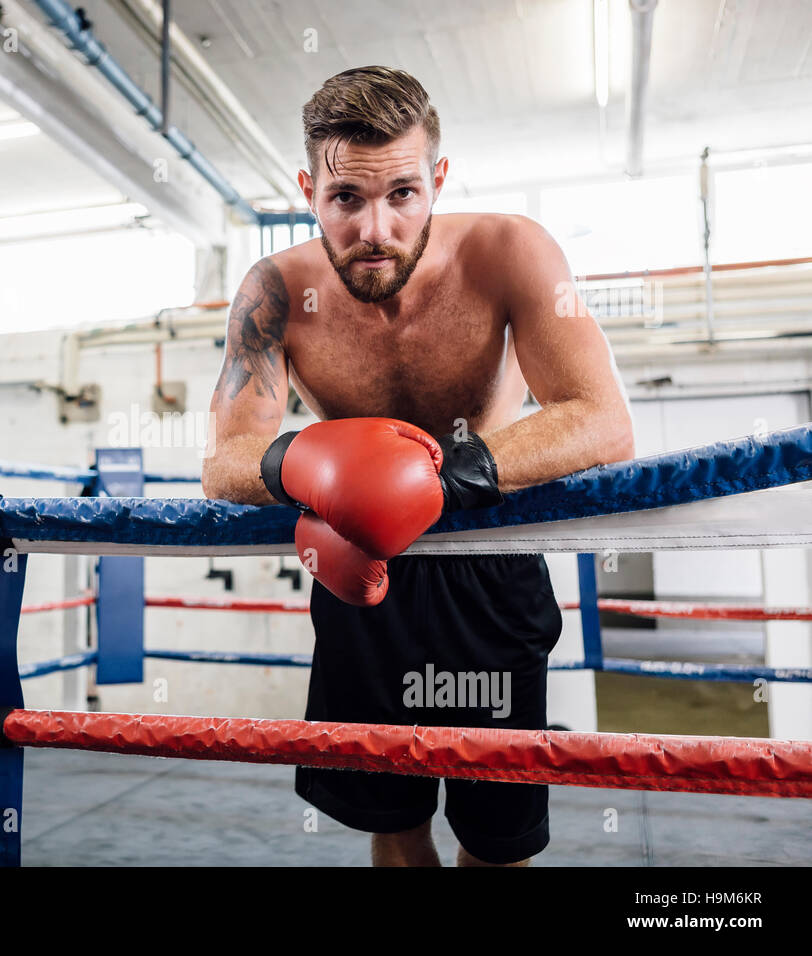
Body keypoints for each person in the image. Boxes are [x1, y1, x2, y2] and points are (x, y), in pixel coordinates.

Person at [201, 66, 635, 867]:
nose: (377, 229)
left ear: (436, 178)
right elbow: (222, 464)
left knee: (498, 843)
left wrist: (432, 479)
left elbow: (603, 420)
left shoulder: (510, 250)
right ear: (307, 189)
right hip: (363, 568)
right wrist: (310, 458)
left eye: (402, 194)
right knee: (393, 823)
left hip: (488, 564)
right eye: (346, 200)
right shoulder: (272, 290)